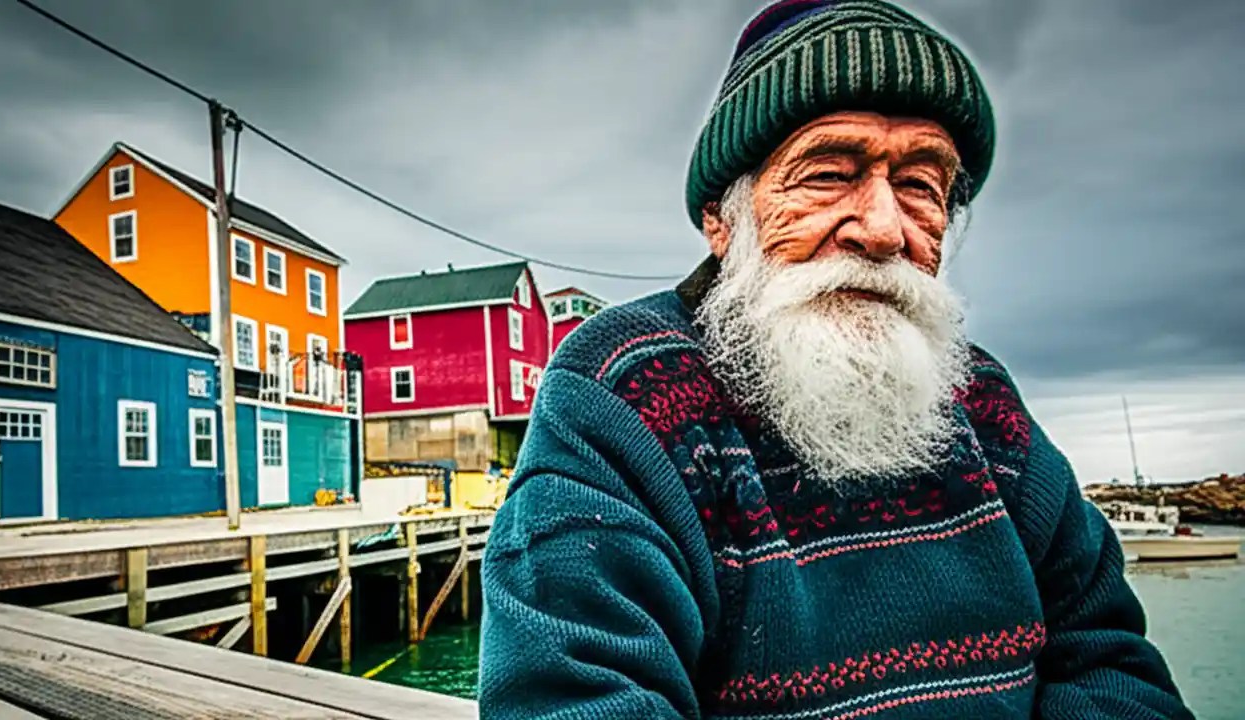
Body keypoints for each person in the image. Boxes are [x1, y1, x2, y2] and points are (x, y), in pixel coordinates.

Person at [478, 1, 1192, 718]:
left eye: (919, 185)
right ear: (723, 221)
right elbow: (574, 696)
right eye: (827, 173)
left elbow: (1108, 661)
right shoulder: (624, 393)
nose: (884, 230)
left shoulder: (982, 401)